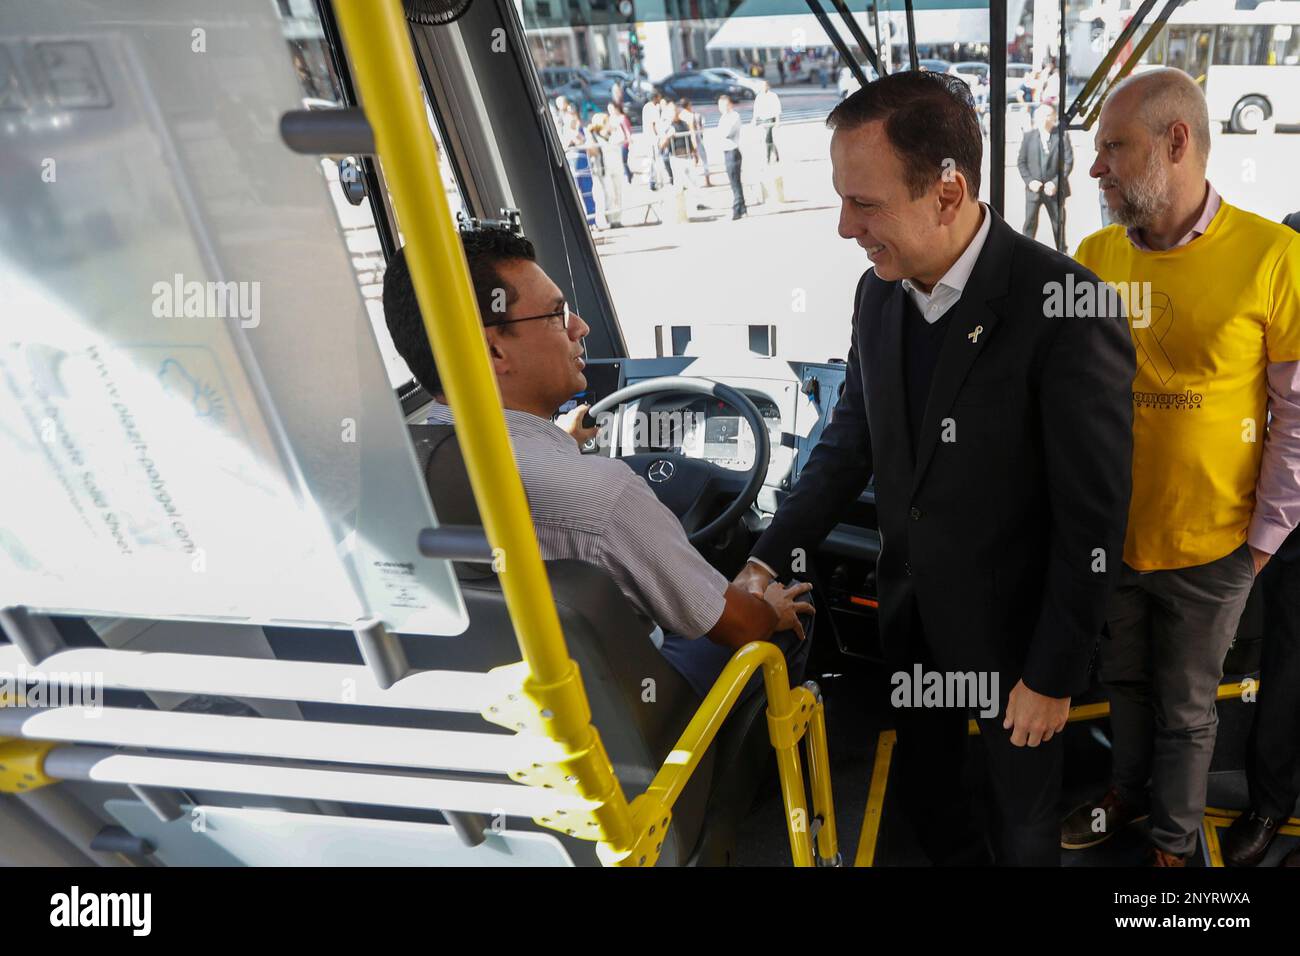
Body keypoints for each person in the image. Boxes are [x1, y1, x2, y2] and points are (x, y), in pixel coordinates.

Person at [733, 70, 1135, 866]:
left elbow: (1093, 520)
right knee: (927, 794)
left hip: (1017, 645)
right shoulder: (877, 295)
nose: (846, 227)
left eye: (866, 204)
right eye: (843, 200)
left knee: (1022, 821)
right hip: (911, 621)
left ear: (947, 192)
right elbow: (850, 443)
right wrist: (762, 558)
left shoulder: (1066, 307)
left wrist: (1052, 677)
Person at [382, 229, 814, 699]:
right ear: (493, 351)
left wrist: (557, 444)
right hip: (647, 718)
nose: (580, 327)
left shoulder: (401, 470)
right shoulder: (602, 494)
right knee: (790, 614)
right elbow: (737, 627)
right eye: (556, 314)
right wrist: (765, 603)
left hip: (504, 713)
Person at [1062, 69, 1300, 867]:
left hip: (1219, 547)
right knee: (1123, 684)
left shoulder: (1275, 257)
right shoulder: (1092, 258)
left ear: (1176, 142)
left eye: (1112, 149)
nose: (1095, 169)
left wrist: (1262, 540)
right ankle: (1126, 793)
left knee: (1189, 709)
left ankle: (1171, 846)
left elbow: (1298, 418)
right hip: (1115, 539)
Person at [1017, 104, 1072, 251]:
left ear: (1054, 117)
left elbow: (1068, 162)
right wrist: (1029, 182)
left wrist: (1055, 183)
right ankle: (1025, 254)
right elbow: (1021, 162)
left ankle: (1062, 255)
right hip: (1033, 191)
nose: (1045, 118)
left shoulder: (1061, 136)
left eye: (1048, 115)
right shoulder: (1029, 137)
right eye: (1042, 115)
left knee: (1058, 224)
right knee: (1029, 224)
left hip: (1054, 191)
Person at [717, 94, 746, 220]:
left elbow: (726, 133)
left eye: (723, 105)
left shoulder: (734, 116)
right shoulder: (723, 117)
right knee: (734, 182)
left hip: (733, 150)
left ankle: (737, 209)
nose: (720, 108)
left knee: (735, 181)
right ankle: (742, 207)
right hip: (727, 151)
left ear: (729, 104)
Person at [678, 98, 710, 186]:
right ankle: (707, 181)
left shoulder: (680, 115)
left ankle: (689, 182)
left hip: (684, 141)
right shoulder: (691, 115)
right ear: (688, 105)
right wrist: (695, 146)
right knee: (704, 160)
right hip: (695, 140)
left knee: (689, 162)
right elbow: (692, 130)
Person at [753, 80, 782, 164]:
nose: (763, 87)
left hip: (770, 119)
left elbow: (777, 109)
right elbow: (756, 109)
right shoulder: (759, 96)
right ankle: (776, 155)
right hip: (763, 119)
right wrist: (754, 119)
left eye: (765, 86)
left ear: (768, 86)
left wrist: (777, 120)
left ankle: (768, 158)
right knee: (769, 139)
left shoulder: (773, 95)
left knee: (767, 139)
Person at [607, 100, 634, 185]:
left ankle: (628, 176)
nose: (610, 111)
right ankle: (628, 174)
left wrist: (629, 139)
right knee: (620, 161)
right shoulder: (611, 119)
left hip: (623, 143)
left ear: (616, 108)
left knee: (623, 160)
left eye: (611, 109)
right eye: (609, 109)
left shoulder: (622, 117)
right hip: (615, 143)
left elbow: (627, 129)